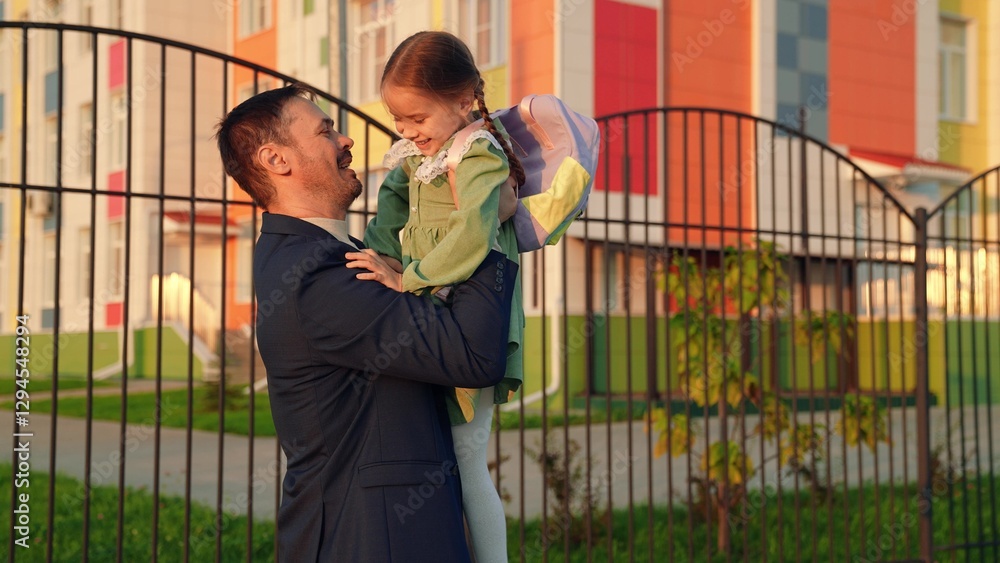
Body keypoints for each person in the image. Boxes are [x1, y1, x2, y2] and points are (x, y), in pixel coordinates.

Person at [214, 83, 518, 562]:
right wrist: (486, 228)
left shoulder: (341, 255)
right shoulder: (316, 275)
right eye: (325, 130)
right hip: (371, 539)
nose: (346, 140)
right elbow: (473, 356)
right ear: (277, 160)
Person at [349, 31, 524, 563]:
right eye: (398, 118)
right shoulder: (411, 156)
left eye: (417, 118)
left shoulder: (479, 155)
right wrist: (369, 267)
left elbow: (474, 230)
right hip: (429, 303)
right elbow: (387, 221)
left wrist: (410, 278)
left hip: (471, 310)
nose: (406, 130)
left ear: (465, 99)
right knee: (438, 452)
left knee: (470, 455)